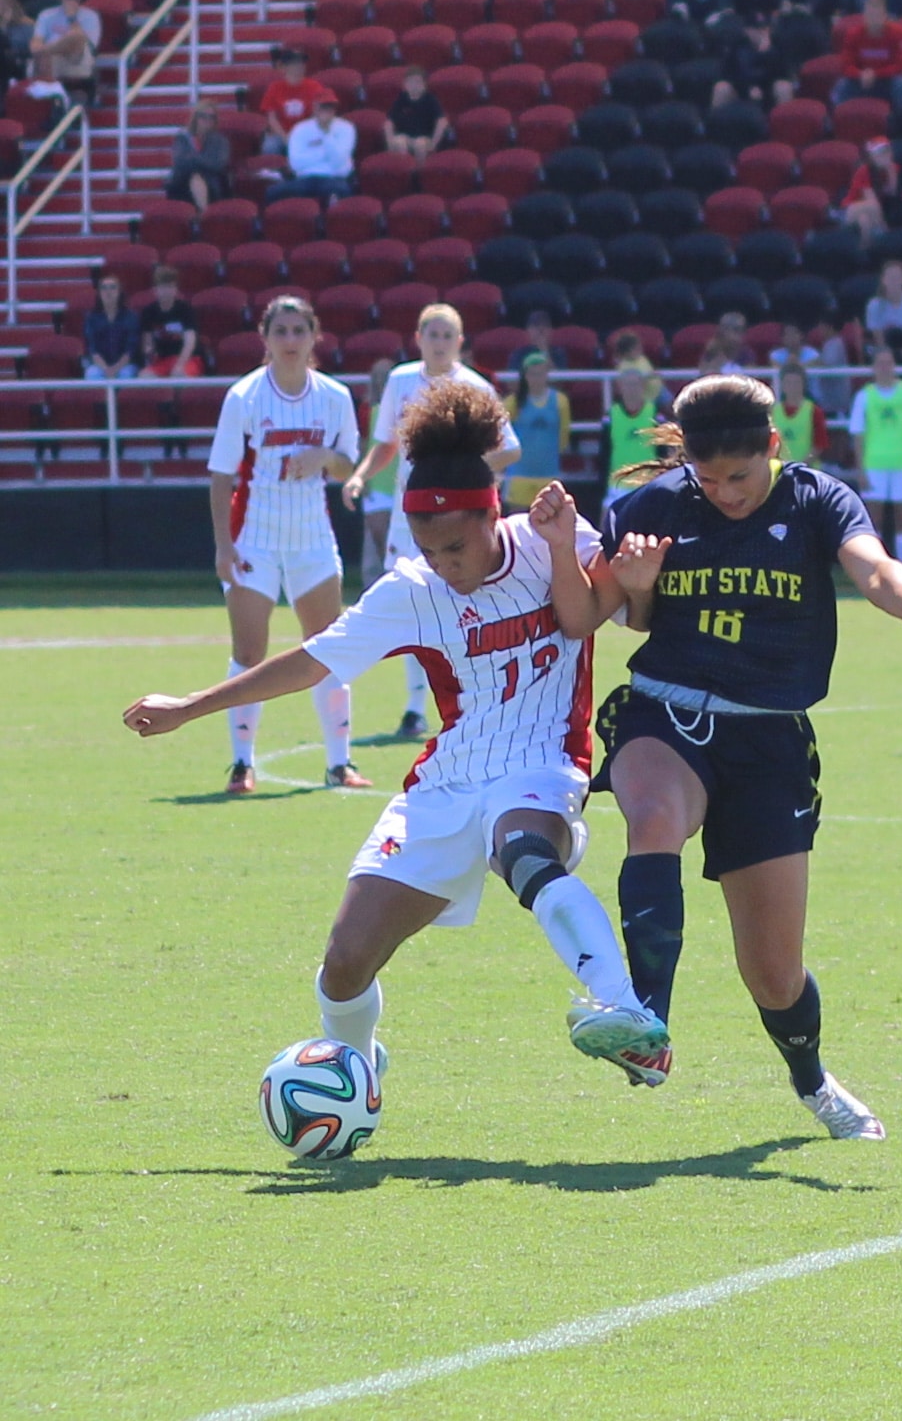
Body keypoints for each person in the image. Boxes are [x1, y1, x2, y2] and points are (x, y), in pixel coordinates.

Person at [125, 379, 672, 1102]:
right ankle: (354, 1081)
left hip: (540, 765)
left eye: (455, 546)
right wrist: (190, 706)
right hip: (445, 784)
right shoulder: (409, 591)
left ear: (492, 514)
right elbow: (311, 661)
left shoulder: (550, 541)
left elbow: (611, 614)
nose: (444, 563)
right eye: (427, 549)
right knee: (344, 964)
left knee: (524, 852)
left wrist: (605, 564)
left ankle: (627, 1014)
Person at [529, 374, 902, 1139]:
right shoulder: (654, 506)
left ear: (772, 446)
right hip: (665, 713)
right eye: (706, 479)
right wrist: (564, 550)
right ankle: (644, 1023)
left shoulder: (816, 500)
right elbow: (580, 618)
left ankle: (812, 1082)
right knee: (652, 816)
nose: (724, 494)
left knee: (773, 975)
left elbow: (872, 566)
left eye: (738, 477)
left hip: (767, 739)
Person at [205, 294, 370, 794]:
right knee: (248, 652)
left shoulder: (335, 396)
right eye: (281, 331)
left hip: (312, 540)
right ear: (266, 338)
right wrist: (223, 546)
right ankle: (241, 763)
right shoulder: (245, 396)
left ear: (315, 336)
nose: (291, 340)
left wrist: (324, 457)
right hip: (255, 539)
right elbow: (220, 476)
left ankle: (339, 762)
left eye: (300, 330)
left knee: (327, 649)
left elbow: (349, 465)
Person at [342, 303, 521, 739]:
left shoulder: (475, 387)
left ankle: (479, 696)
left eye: (447, 336)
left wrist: (463, 472)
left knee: (466, 601)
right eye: (432, 335)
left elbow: (510, 449)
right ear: (418, 339)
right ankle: (414, 706)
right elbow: (386, 443)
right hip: (412, 514)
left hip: (462, 517)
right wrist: (361, 476)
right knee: (414, 599)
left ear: (459, 342)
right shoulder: (401, 381)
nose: (439, 344)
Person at [849, 346, 902, 569]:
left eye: (888, 363)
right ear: (873, 367)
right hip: (874, 465)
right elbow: (858, 435)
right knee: (874, 524)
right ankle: (877, 571)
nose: (884, 368)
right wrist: (861, 470)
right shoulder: (864, 396)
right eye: (880, 363)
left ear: (894, 366)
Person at [503, 350, 572, 512]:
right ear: (525, 376)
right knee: (516, 521)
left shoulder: (560, 402)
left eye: (541, 373)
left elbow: (563, 437)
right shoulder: (512, 403)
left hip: (548, 475)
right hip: (519, 475)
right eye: (532, 374)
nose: (537, 378)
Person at [265, 89, 355, 204]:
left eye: (330, 107)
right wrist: (325, 154)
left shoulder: (346, 128)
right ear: (314, 108)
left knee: (339, 191)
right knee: (273, 192)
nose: (327, 110)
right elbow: (296, 163)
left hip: (334, 178)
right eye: (323, 106)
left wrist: (326, 133)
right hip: (305, 179)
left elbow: (338, 162)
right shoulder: (300, 129)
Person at [834, 0, 902, 107]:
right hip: (863, 79)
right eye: (870, 14)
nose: (873, 19)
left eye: (877, 15)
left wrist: (876, 74)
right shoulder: (853, 34)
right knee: (842, 86)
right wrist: (860, 74)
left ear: (885, 16)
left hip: (890, 78)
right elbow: (845, 65)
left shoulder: (898, 33)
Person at [600, 366, 661, 521]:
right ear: (620, 387)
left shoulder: (655, 414)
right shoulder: (611, 416)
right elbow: (604, 453)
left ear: (642, 387)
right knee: (605, 524)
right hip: (618, 485)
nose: (631, 389)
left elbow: (664, 453)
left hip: (647, 485)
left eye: (635, 384)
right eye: (627, 385)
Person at [29, 0, 101, 104]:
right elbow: (35, 45)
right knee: (44, 53)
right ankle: (53, 97)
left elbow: (89, 46)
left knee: (76, 37)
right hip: (51, 60)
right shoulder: (46, 15)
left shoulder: (91, 16)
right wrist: (54, 49)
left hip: (78, 58)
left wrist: (72, 17)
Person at [358, 358, 397, 590]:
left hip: (400, 485)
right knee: (378, 537)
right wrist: (362, 478)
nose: (382, 382)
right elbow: (364, 445)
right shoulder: (366, 410)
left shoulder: (406, 406)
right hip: (376, 483)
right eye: (378, 377)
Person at [259, 47, 327, 156]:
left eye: (301, 63)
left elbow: (317, 114)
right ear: (284, 67)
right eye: (294, 63)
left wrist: (299, 135)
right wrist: (285, 137)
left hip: (307, 132)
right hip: (281, 133)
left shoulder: (315, 87)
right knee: (270, 146)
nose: (299, 66)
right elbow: (272, 118)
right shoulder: (274, 88)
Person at [138, 266, 203, 378]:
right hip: (162, 360)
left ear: (176, 289)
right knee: (144, 376)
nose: (166, 291)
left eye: (170, 287)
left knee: (178, 375)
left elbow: (190, 342)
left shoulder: (185, 310)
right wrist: (149, 350)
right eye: (163, 287)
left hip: (188, 359)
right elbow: (147, 341)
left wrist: (179, 365)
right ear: (155, 290)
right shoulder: (148, 312)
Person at [843, 136, 902, 248]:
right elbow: (871, 201)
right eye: (879, 153)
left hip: (870, 212)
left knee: (864, 221)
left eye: (886, 152)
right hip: (852, 208)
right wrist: (884, 226)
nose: (883, 156)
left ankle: (865, 253)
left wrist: (890, 170)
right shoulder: (863, 171)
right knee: (872, 207)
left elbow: (892, 193)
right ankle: (886, 235)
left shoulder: (893, 168)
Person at [167, 100, 231, 212]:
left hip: (211, 183)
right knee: (194, 177)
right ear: (195, 117)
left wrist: (193, 158)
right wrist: (202, 161)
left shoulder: (221, 141)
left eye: (211, 117)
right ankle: (203, 214)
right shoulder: (183, 138)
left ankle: (203, 214)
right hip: (182, 184)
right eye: (203, 116)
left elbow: (218, 164)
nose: (207, 120)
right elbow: (179, 162)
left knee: (197, 178)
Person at [83, 273, 140, 380]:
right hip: (100, 365)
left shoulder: (131, 317)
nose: (108, 292)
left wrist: (115, 369)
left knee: (126, 375)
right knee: (92, 374)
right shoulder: (91, 318)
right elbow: (93, 350)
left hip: (125, 365)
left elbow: (130, 350)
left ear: (119, 292)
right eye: (104, 288)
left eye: (112, 288)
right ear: (99, 293)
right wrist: (106, 369)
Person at [385, 65, 448, 161]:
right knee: (399, 141)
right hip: (406, 137)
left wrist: (434, 143)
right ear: (405, 84)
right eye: (410, 82)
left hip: (425, 138)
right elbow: (389, 123)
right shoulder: (401, 99)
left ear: (424, 84)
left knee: (420, 143)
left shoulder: (430, 100)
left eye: (417, 82)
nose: (414, 85)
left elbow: (442, 122)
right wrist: (390, 144)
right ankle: (405, 167)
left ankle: (420, 168)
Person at [774, 361, 829, 467]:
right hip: (780, 471)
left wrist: (801, 465)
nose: (792, 387)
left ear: (803, 385)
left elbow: (819, 445)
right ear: (782, 385)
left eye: (796, 383)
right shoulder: (773, 412)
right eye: (788, 383)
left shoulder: (814, 411)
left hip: (808, 470)